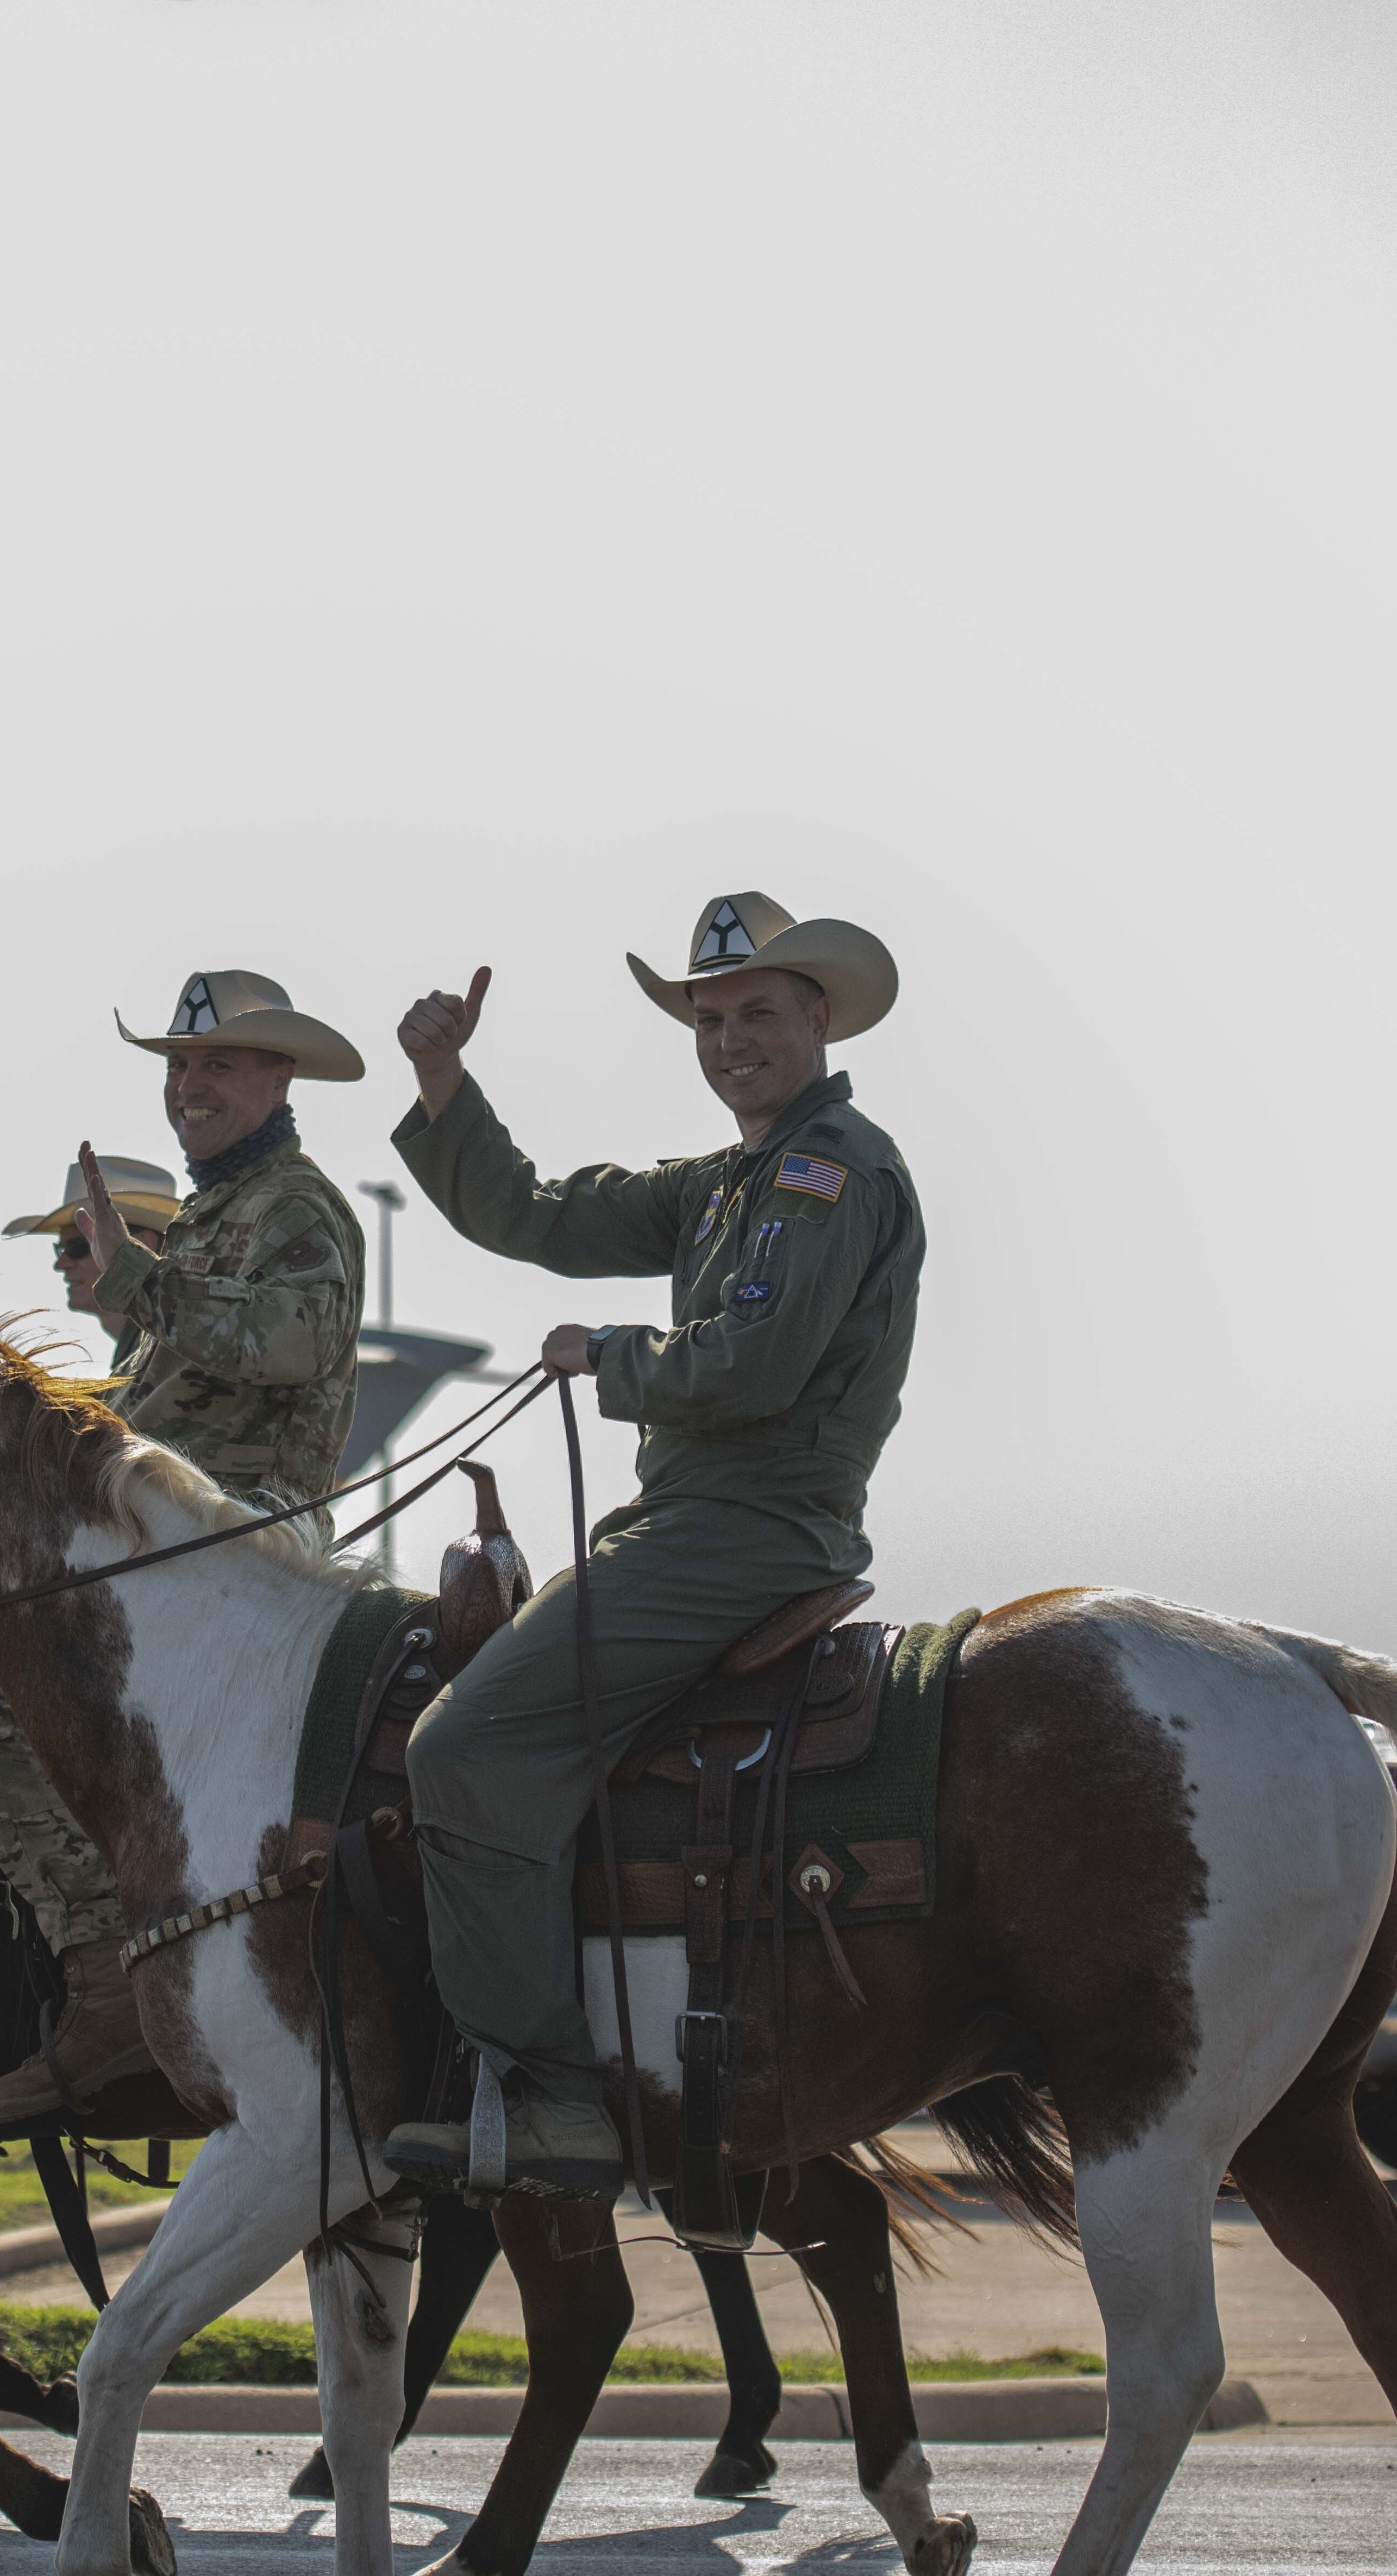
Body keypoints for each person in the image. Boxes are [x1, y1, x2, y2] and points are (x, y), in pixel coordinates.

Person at [373, 895, 924, 2197]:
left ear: (819, 1019)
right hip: (694, 1525)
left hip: (748, 1530)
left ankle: (552, 2094)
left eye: (759, 1016)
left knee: (459, 1742)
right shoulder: (724, 1185)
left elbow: (754, 1365)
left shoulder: (824, 1169)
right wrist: (444, 1081)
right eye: (712, 1020)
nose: (732, 1042)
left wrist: (607, 1354)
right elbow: (541, 1216)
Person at [0, 969, 371, 2128]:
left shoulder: (298, 1207)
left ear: (279, 1077)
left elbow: (287, 1344)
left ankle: (102, 1975)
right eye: (178, 1067)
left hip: (249, 1524)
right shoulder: (230, 1207)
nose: (189, 1086)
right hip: (180, 1524)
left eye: (216, 1064)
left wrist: (133, 1278)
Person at [0, 1152, 183, 1338]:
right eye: (61, 1250)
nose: (61, 1265)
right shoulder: (162, 1343)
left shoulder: (174, 1346)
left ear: (142, 1245)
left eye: (77, 1247)